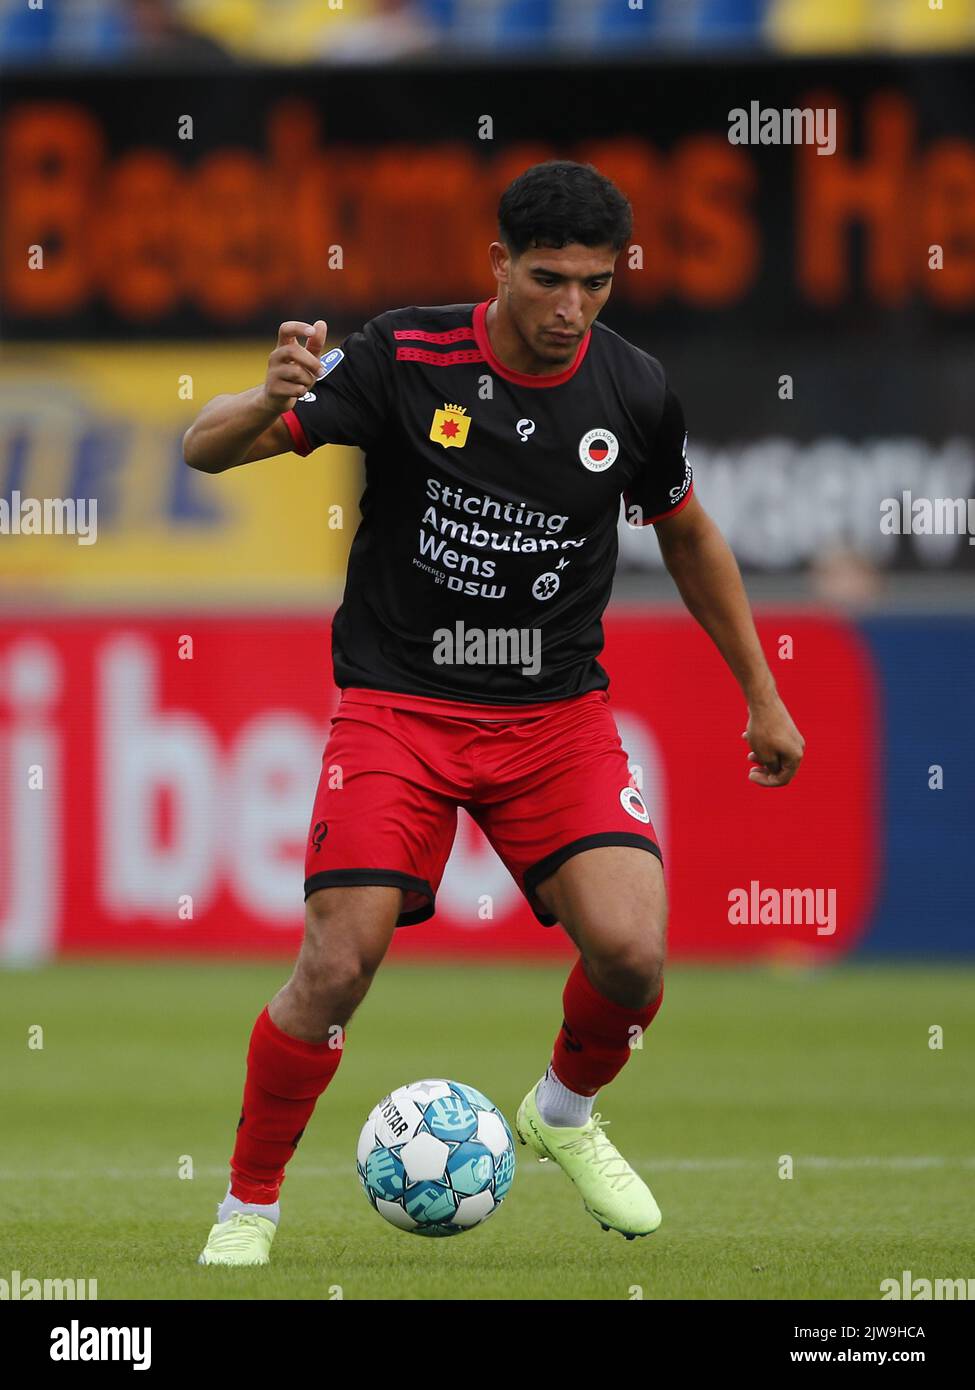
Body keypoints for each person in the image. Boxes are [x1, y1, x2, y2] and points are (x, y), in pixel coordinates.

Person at [183, 159, 805, 1265]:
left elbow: (689, 532)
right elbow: (205, 450)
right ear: (499, 266)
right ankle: (249, 1203)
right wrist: (269, 400)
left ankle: (562, 1111)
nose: (572, 308)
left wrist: (762, 692)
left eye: (597, 284)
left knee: (633, 953)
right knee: (336, 962)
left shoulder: (634, 390)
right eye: (550, 278)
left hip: (553, 716)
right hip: (399, 708)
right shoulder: (402, 356)